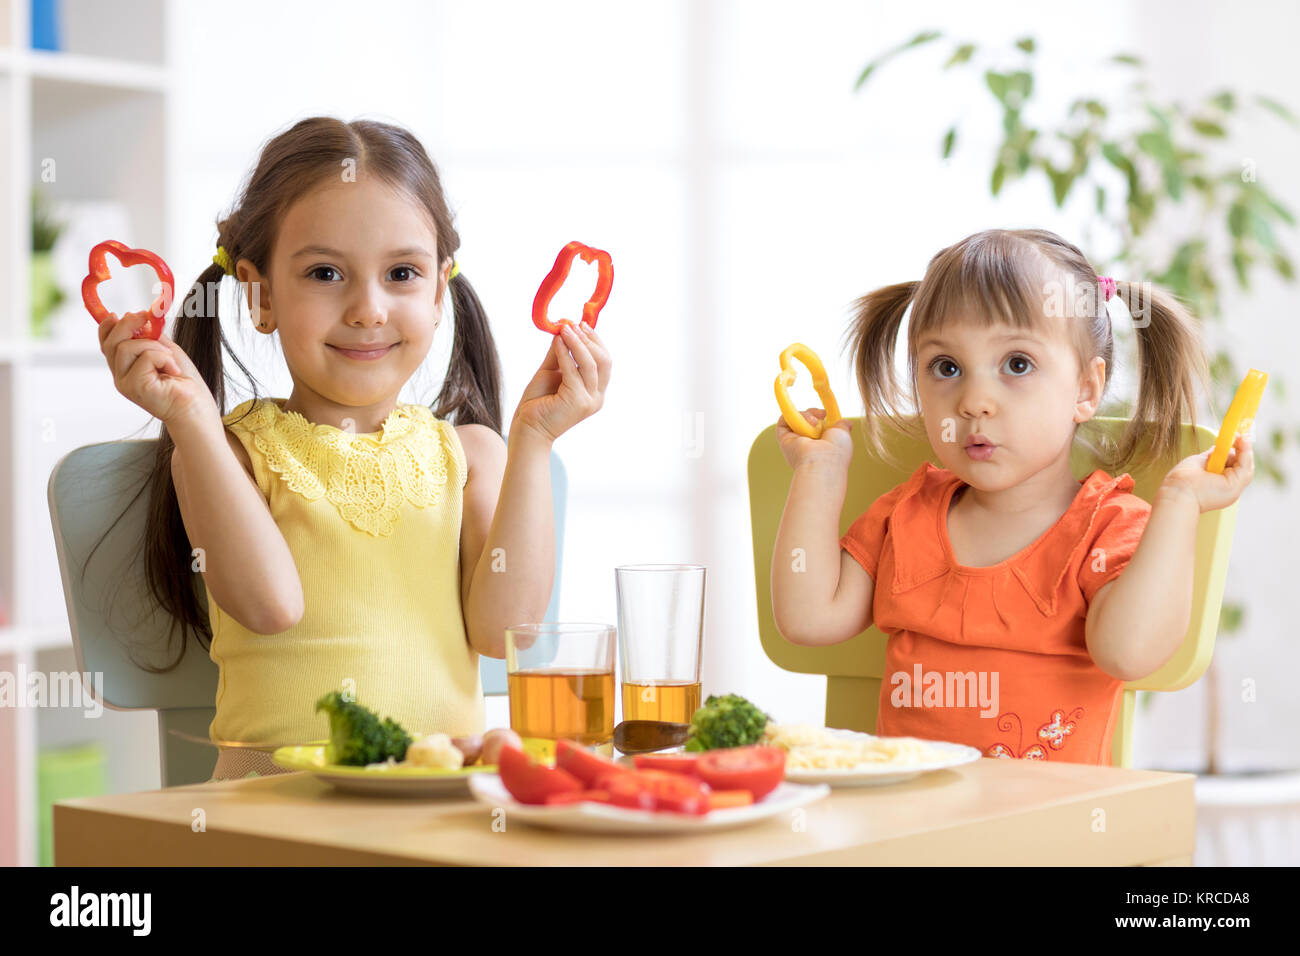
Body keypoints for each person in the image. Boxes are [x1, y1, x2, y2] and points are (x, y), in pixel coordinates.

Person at [96, 117, 611, 780]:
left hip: (433, 813)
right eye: (325, 273)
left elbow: (505, 631)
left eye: (401, 272)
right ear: (259, 294)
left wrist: (535, 439)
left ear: (438, 287)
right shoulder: (225, 453)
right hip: (274, 815)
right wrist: (192, 422)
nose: (368, 309)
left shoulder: (475, 455)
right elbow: (270, 605)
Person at [770, 228, 1252, 765]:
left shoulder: (1106, 528)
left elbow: (1128, 652)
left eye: (1017, 365)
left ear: (1087, 389)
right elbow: (809, 619)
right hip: (915, 831)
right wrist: (819, 471)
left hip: (1046, 838)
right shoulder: (907, 512)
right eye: (946, 368)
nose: (975, 401)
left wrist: (1180, 504)